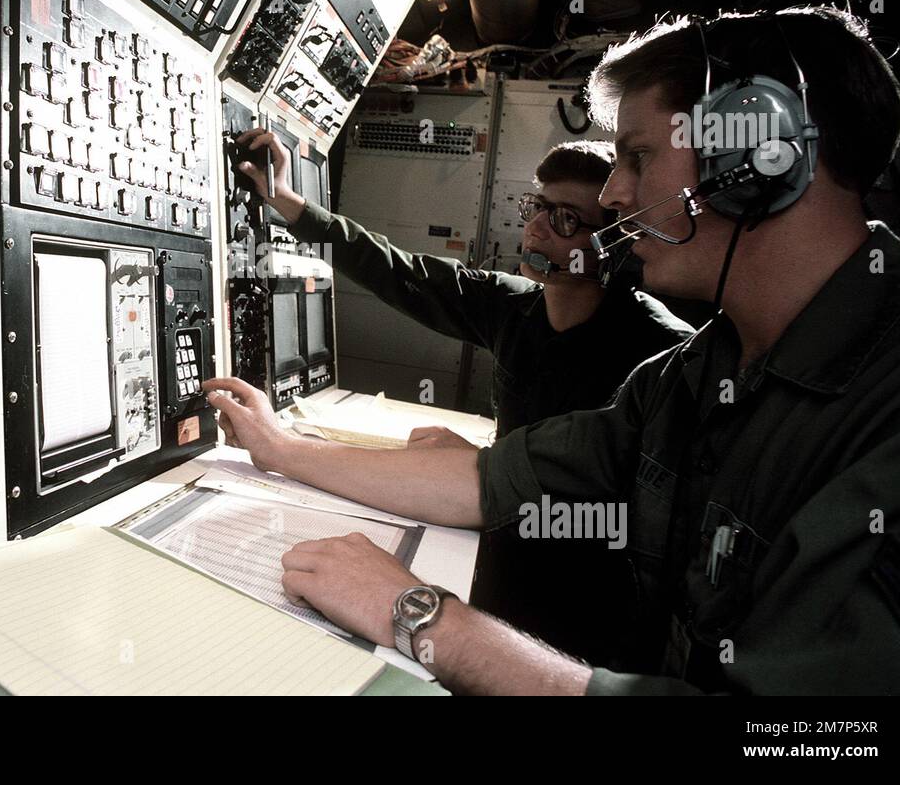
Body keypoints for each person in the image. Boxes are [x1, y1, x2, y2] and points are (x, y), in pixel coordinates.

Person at [206, 6, 900, 694]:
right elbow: (491, 481)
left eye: (639, 157)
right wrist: (279, 450)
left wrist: (424, 616)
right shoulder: (694, 375)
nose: (616, 196)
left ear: (755, 155)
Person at [231, 134, 692, 657]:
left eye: (565, 219)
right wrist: (288, 202)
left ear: (614, 243)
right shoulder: (517, 306)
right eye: (537, 206)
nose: (537, 226)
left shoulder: (662, 352)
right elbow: (400, 272)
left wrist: (484, 469)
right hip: (497, 519)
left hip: (582, 598)